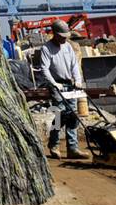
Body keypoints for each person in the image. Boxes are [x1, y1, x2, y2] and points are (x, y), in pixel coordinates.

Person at [37, 20, 91, 160]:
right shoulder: (46, 49)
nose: (64, 38)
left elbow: (74, 65)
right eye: (62, 36)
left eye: (66, 36)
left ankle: (73, 148)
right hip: (56, 84)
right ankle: (53, 144)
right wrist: (54, 83)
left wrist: (77, 80)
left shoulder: (67, 47)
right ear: (54, 34)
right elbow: (44, 69)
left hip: (69, 84)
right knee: (60, 114)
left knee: (73, 115)